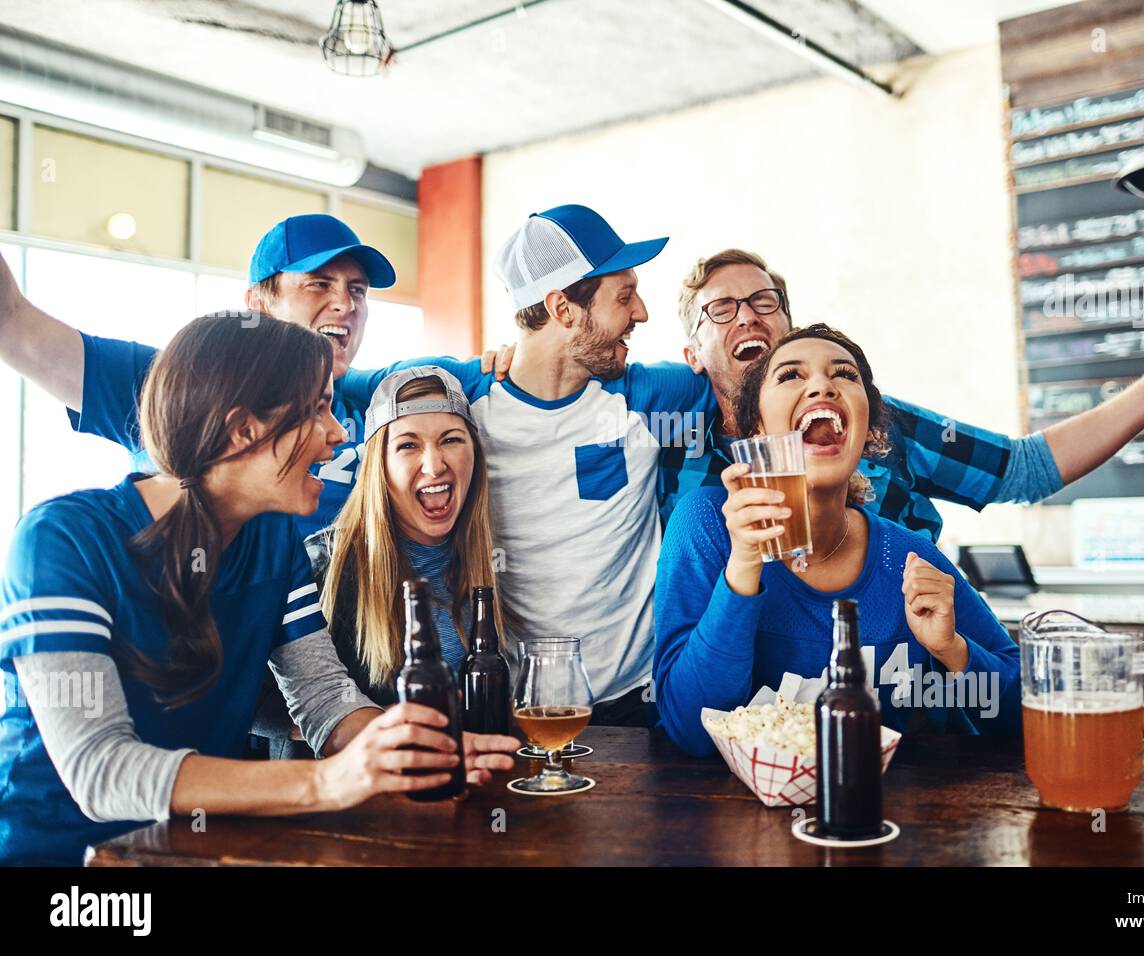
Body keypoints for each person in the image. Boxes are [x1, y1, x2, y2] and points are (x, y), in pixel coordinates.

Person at [0, 313, 518, 865]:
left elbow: (322, 697)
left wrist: (405, 750)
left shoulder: (272, 538)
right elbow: (100, 771)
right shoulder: (62, 541)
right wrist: (326, 782)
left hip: (199, 851)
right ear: (244, 428)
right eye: (318, 409)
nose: (339, 435)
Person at [337, 205, 716, 725]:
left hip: (640, 702)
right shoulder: (459, 394)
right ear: (562, 308)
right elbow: (330, 376)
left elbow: (769, 381)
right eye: (624, 296)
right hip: (516, 706)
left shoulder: (651, 396)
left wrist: (711, 353)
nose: (642, 312)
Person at [659, 249, 1144, 538]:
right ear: (692, 355)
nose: (750, 318)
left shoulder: (876, 424)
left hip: (910, 711)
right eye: (721, 310)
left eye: (766, 303)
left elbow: (1025, 468)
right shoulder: (671, 458)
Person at [0, 214, 505, 540]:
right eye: (318, 285)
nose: (345, 305)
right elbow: (13, 325)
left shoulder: (374, 397)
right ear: (258, 305)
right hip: (216, 666)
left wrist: (510, 356)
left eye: (358, 290)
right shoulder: (178, 385)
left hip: (333, 671)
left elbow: (507, 374)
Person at [654, 323, 1022, 758]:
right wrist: (743, 569)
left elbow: (1023, 712)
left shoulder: (909, 557)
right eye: (791, 375)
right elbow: (691, 731)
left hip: (870, 815)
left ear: (868, 431)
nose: (822, 387)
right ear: (756, 430)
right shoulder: (705, 524)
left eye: (844, 375)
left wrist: (952, 650)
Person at [257, 366, 505, 759]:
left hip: (455, 790)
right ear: (380, 467)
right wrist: (370, 727)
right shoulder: (322, 563)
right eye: (408, 445)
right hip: (345, 803)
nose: (434, 464)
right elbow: (252, 701)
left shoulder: (488, 562)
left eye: (451, 440)